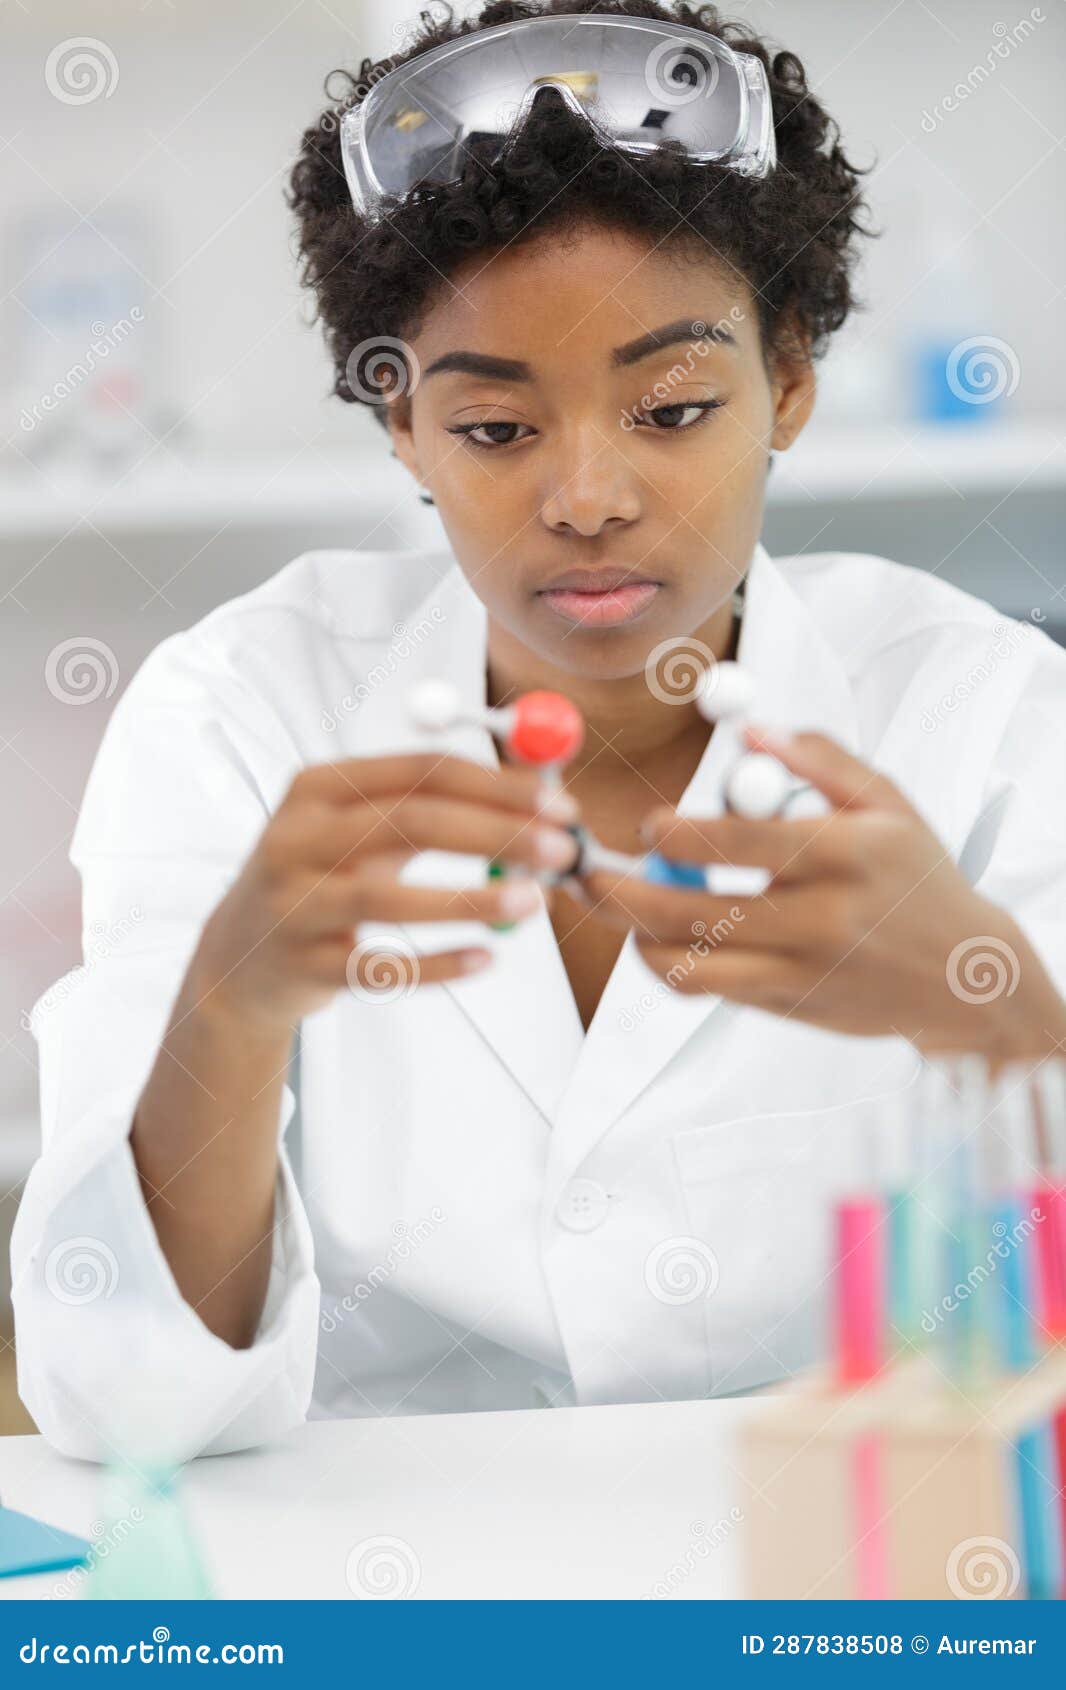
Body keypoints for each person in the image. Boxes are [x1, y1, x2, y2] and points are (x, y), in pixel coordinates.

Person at [13, 0, 1066, 1462]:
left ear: (792, 382)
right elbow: (121, 1404)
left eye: (674, 407)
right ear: (400, 427)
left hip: (846, 1574)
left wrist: (1000, 1011)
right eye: (497, 429)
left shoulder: (987, 719)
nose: (585, 495)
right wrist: (231, 1002)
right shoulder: (237, 715)